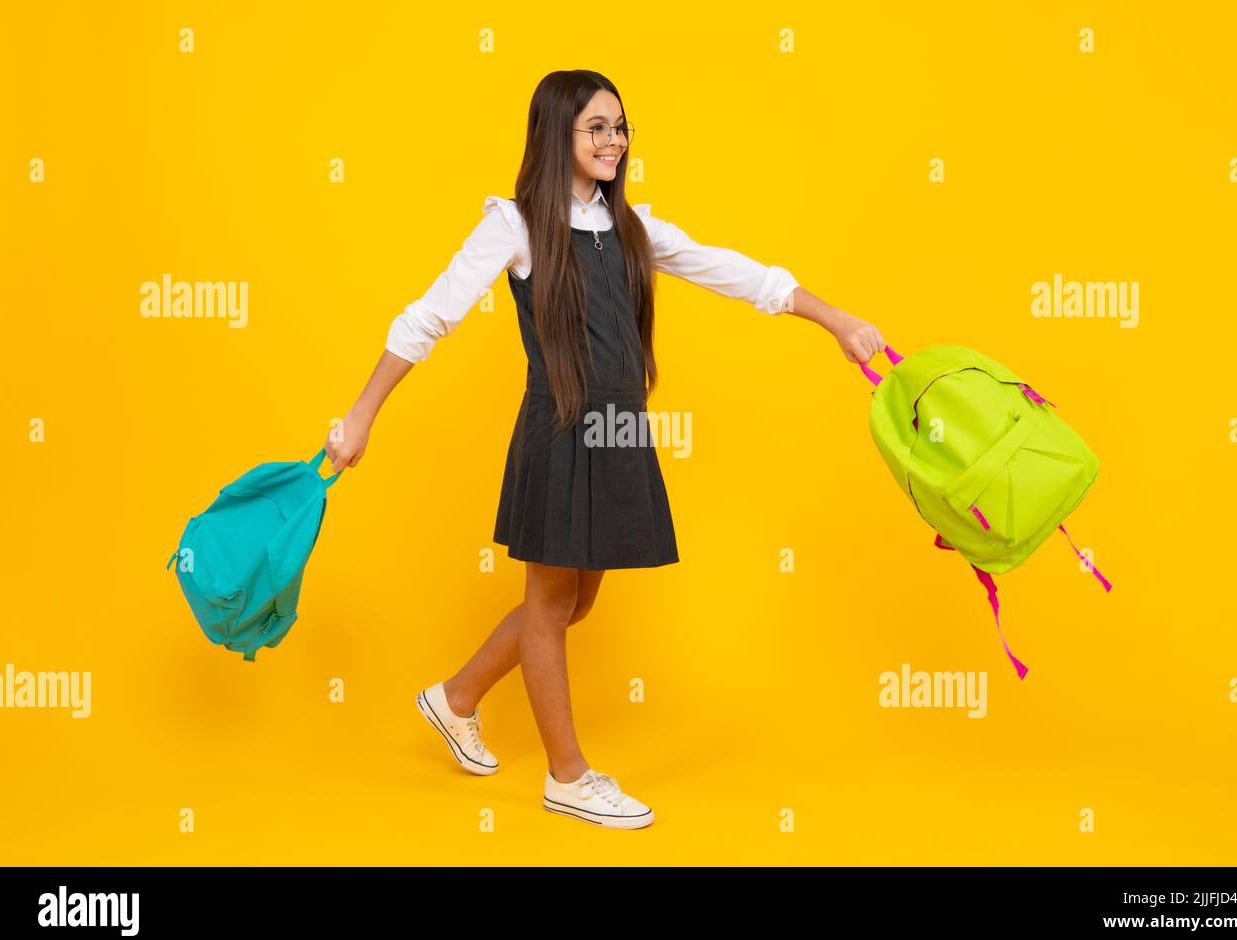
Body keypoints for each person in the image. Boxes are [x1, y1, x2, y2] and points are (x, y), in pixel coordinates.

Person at [325, 69, 885, 829]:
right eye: (597, 127)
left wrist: (834, 319)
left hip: (617, 431)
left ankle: (455, 699)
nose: (614, 140)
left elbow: (738, 273)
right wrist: (362, 414)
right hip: (559, 431)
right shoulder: (515, 225)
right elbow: (428, 317)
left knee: (575, 602)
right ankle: (569, 776)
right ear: (558, 133)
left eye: (620, 127)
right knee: (551, 605)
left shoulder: (631, 228)